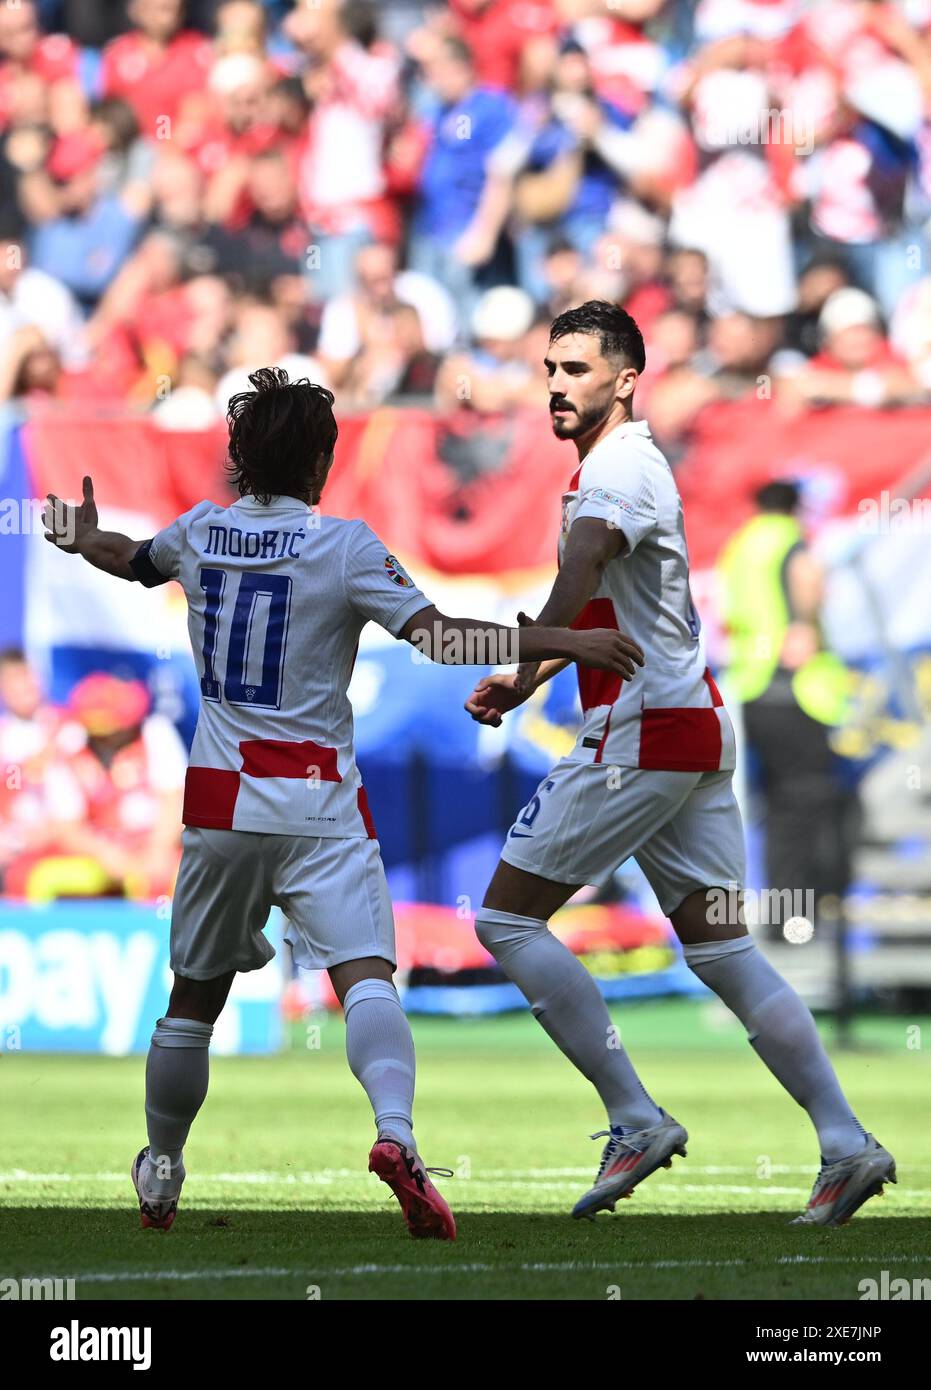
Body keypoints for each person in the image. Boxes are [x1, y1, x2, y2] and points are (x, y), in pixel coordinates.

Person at [43, 366, 637, 1241]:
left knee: (192, 1001)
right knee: (364, 977)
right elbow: (441, 637)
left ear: (237, 459)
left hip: (223, 799)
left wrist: (79, 539)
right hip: (320, 799)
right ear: (322, 461)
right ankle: (395, 1136)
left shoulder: (200, 532)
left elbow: (131, 562)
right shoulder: (347, 545)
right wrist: (563, 636)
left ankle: (162, 1168)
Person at [463, 299, 895, 1227]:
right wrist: (537, 675)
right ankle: (845, 1143)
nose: (554, 386)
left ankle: (632, 1117)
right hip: (688, 721)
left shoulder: (619, 468)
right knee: (722, 949)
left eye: (575, 370)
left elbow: (578, 573)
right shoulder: (621, 466)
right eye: (548, 369)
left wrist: (531, 649)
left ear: (625, 379)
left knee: (504, 918)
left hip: (641, 732)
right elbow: (590, 600)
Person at [718, 479, 857, 943]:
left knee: (779, 808)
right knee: (810, 804)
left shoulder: (739, 546)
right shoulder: (790, 540)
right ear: (795, 507)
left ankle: (784, 922)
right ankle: (808, 921)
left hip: (754, 688)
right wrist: (803, 623)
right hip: (797, 687)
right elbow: (809, 579)